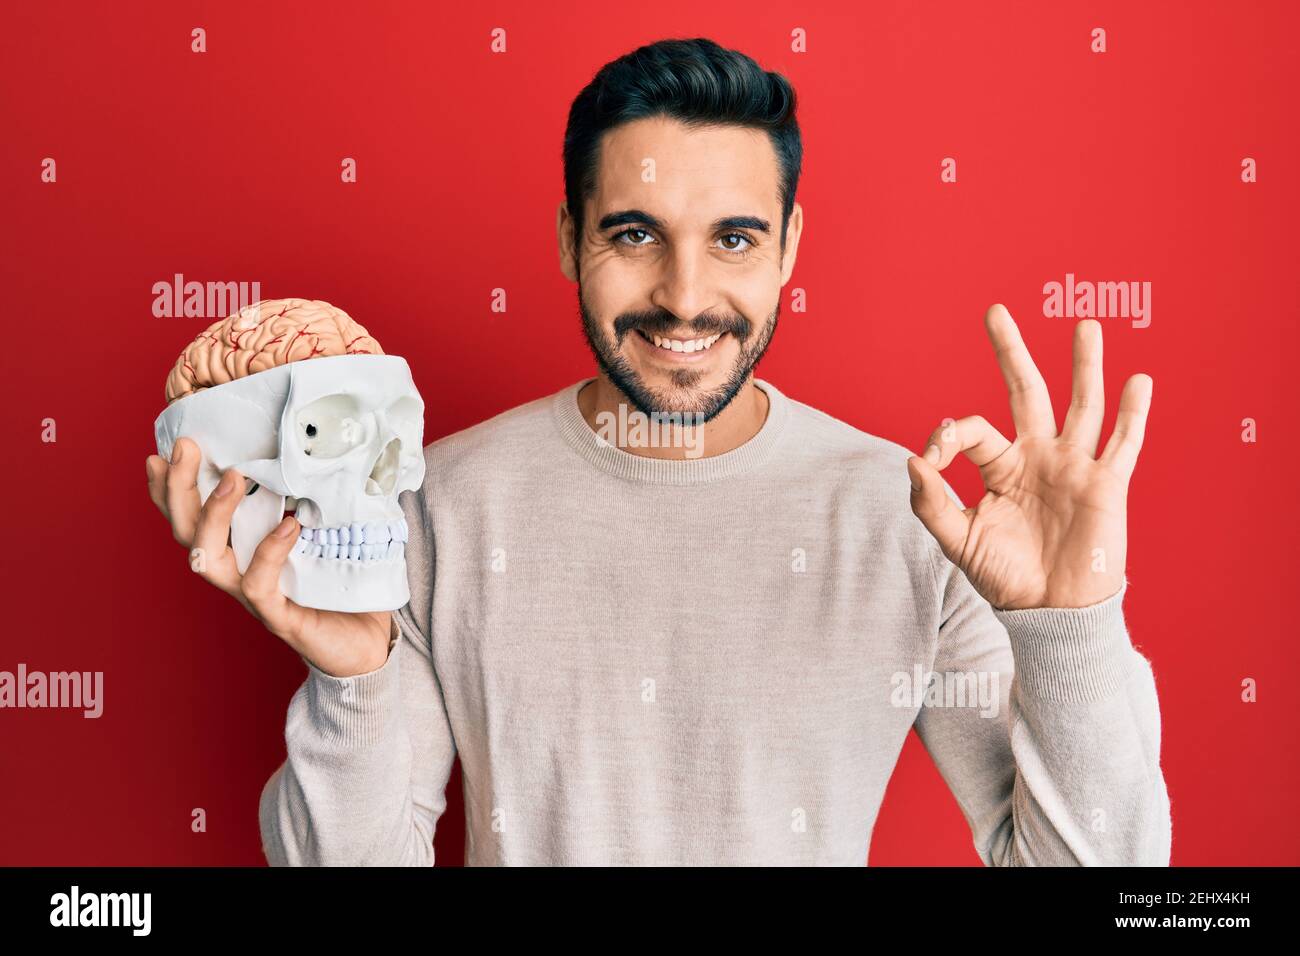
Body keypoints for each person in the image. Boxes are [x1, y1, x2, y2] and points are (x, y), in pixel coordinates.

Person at [145, 37, 1170, 866]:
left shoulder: (909, 515)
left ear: (788, 250)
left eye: (732, 238)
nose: (684, 297)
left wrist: (1068, 627)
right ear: (566, 238)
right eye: (634, 234)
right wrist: (352, 685)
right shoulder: (431, 504)